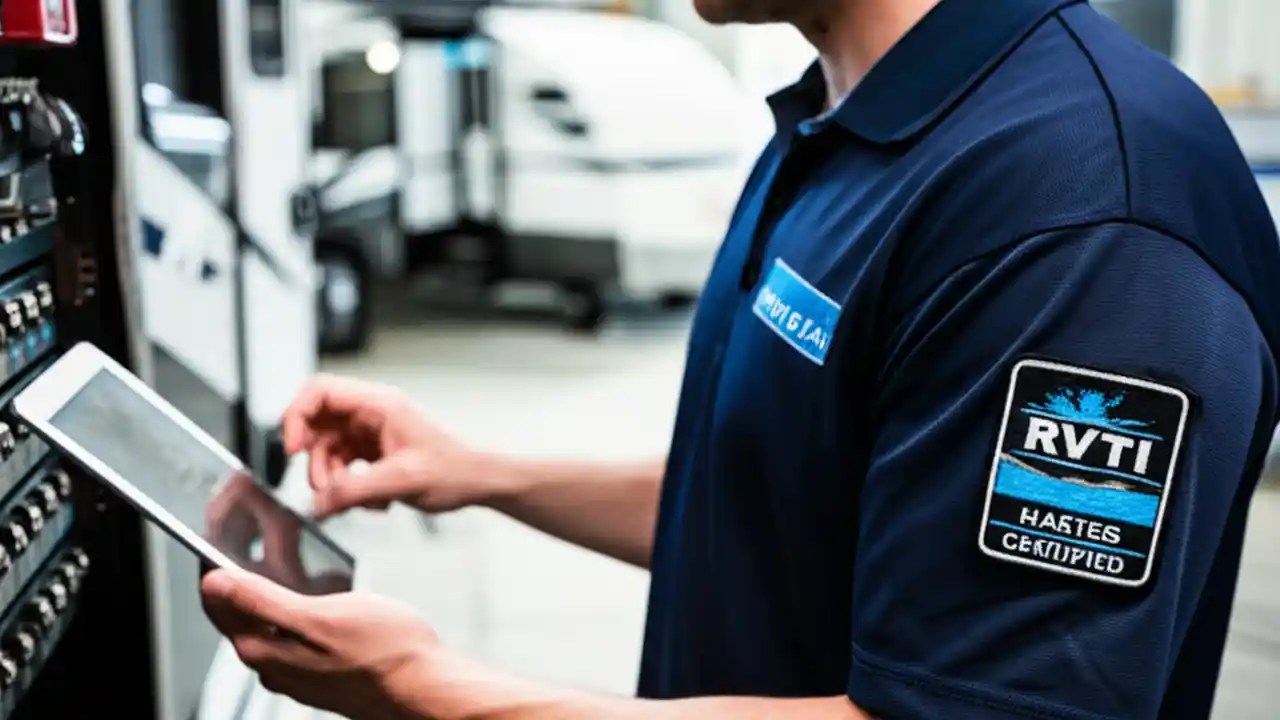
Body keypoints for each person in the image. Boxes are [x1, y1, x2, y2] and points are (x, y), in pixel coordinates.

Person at [200, 0, 1280, 717]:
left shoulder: (1080, 214)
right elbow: (794, 493)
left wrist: (427, 689)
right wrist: (483, 475)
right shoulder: (838, 118)